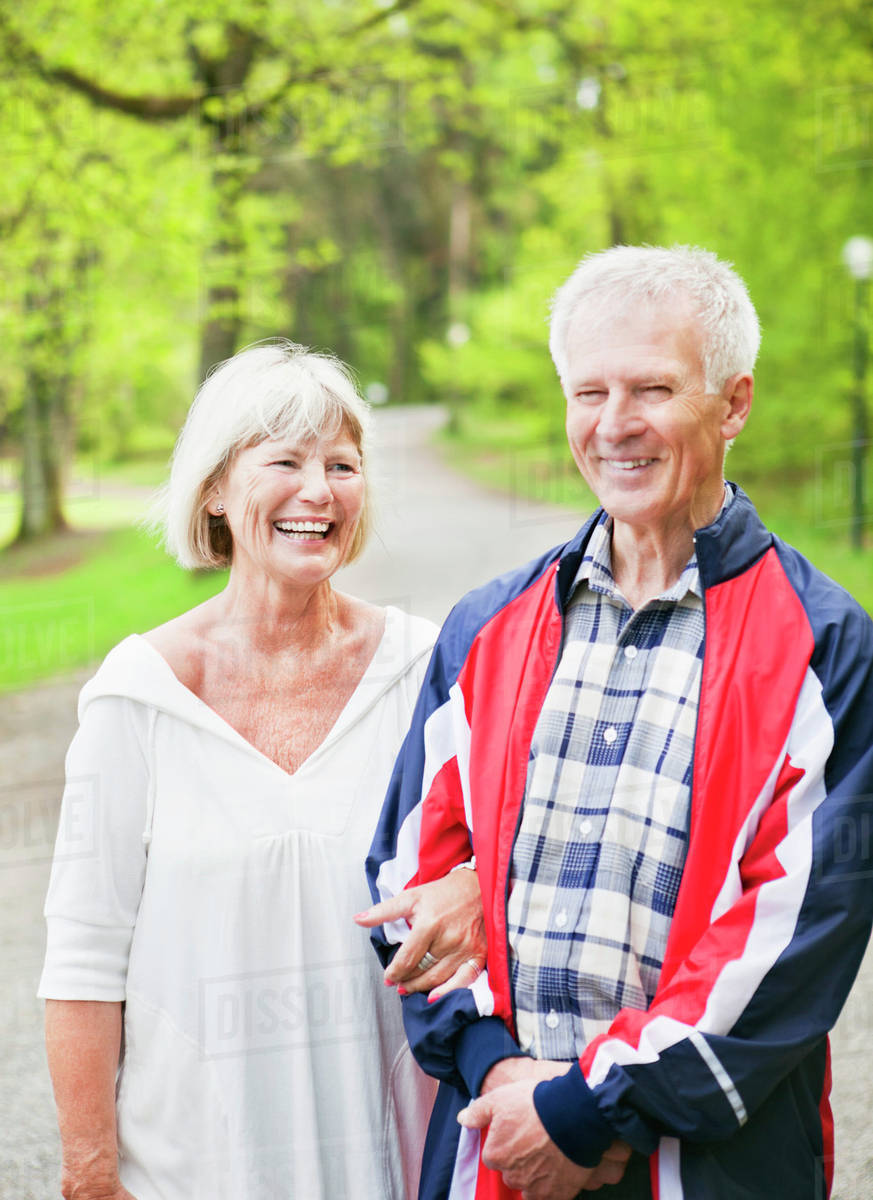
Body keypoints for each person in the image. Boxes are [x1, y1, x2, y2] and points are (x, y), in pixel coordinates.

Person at [365, 246, 873, 1199]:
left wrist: (579, 1113)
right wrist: (497, 1072)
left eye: (652, 388)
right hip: (495, 1146)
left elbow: (794, 937)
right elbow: (408, 871)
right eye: (588, 392)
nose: (615, 425)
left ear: (732, 405)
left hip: (701, 1168)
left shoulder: (823, 644)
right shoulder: (488, 625)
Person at [38, 341, 486, 1200]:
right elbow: (83, 962)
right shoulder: (138, 697)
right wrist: (91, 1175)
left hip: (394, 1158)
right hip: (193, 1168)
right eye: (283, 460)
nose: (317, 491)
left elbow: (512, 864)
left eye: (342, 465)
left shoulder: (426, 669)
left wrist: (475, 878)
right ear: (213, 488)